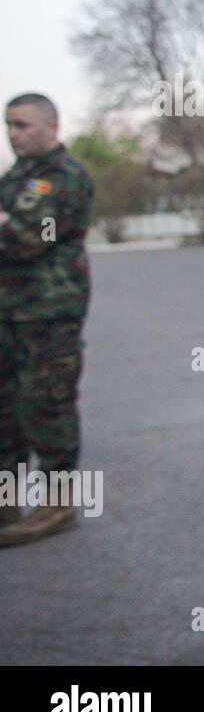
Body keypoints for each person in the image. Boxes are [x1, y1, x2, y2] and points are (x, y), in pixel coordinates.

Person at [0, 93, 95, 546]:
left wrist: (9, 221)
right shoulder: (17, 177)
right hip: (8, 311)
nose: (14, 134)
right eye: (9, 126)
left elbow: (26, 238)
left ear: (52, 128)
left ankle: (57, 505)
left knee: (47, 404)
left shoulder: (64, 177)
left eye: (23, 125)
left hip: (48, 313)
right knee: (6, 409)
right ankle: (7, 500)